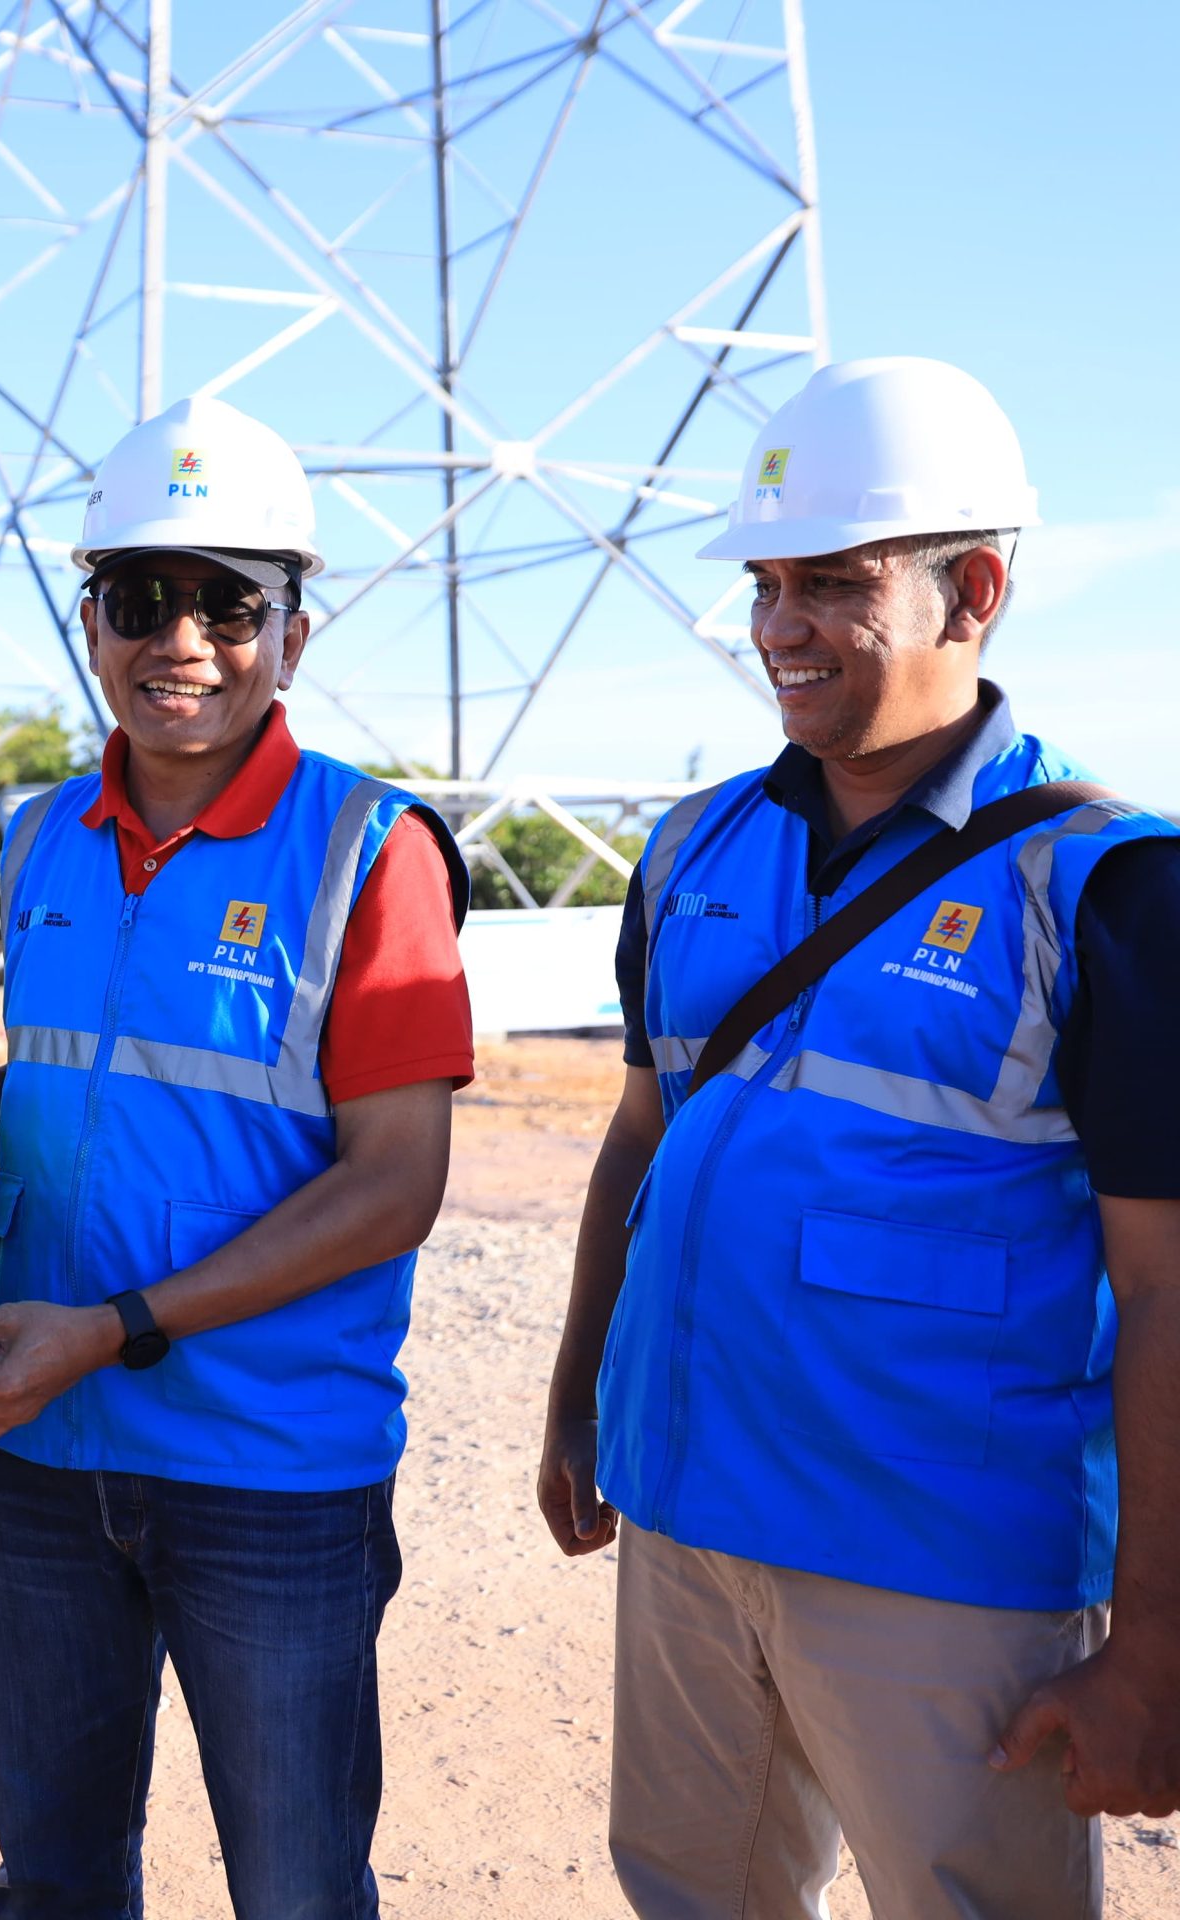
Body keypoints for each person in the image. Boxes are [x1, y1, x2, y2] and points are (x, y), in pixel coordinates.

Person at [534, 357, 1180, 1919]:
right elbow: (641, 1135)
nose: (777, 628)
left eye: (832, 582)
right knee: (691, 1893)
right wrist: (576, 1396)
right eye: (765, 583)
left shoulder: (1107, 889)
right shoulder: (695, 847)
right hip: (688, 1531)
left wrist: (1155, 1646)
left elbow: (1170, 1293)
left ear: (974, 589)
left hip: (938, 1575)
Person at [0, 395, 473, 1918]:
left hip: (267, 1469)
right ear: (91, 620)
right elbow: (101, 1083)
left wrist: (117, 1330)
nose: (181, 639)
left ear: (294, 632)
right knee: (55, 1879)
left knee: (297, 1886)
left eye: (227, 603)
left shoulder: (369, 852)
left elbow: (396, 1180)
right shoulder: (45, 835)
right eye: (142, 599)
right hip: (48, 1457)